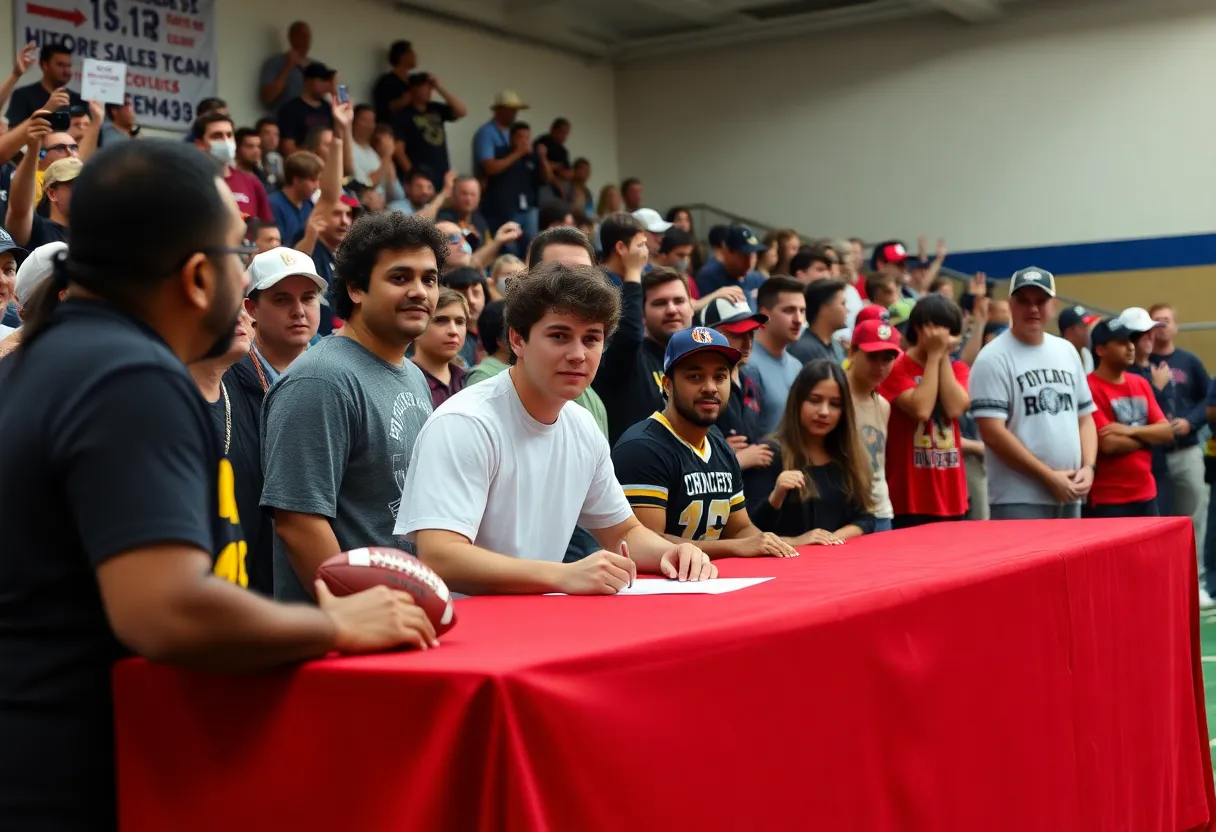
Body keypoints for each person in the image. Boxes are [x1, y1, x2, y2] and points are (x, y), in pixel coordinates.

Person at [0, 139, 436, 831]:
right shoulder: (131, 377)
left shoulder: (41, 364)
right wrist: (334, 624)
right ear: (200, 276)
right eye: (239, 255)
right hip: (77, 783)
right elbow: (164, 610)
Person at [395, 262, 717, 594]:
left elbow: (624, 533)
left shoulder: (581, 425)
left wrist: (674, 552)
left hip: (538, 623)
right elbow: (439, 556)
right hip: (463, 630)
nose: (578, 354)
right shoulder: (465, 423)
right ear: (517, 340)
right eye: (559, 336)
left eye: (592, 338)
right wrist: (562, 576)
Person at [261, 211, 443, 603]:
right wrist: (359, 611)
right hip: (346, 637)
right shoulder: (321, 380)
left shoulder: (412, 375)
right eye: (400, 277)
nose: (419, 291)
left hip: (402, 616)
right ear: (357, 288)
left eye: (429, 279)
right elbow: (298, 522)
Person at [612, 326, 797, 559]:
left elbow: (740, 529)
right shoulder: (641, 447)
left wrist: (769, 544)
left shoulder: (717, 443)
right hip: (654, 588)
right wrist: (733, 547)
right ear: (667, 384)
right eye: (695, 376)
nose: (710, 387)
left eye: (720, 376)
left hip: (707, 582)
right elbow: (646, 542)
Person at [970, 267, 1097, 519]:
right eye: (1024, 301)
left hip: (1070, 489)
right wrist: (1048, 477)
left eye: (1041, 301)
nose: (1033, 309)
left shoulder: (1067, 351)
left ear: (1054, 305)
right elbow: (992, 432)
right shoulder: (991, 358)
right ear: (1011, 305)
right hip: (1017, 496)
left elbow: (1085, 417)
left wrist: (1089, 467)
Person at [749, 360, 876, 543]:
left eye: (834, 404)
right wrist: (777, 497)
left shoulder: (848, 456)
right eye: (815, 400)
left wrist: (831, 538)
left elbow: (866, 518)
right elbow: (750, 530)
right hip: (786, 565)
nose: (824, 411)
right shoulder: (770, 454)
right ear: (797, 401)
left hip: (838, 562)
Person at [877, 294, 971, 528]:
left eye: (950, 330)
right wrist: (935, 355)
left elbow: (955, 407)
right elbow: (921, 408)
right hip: (909, 498)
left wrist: (940, 357)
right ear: (919, 328)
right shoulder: (897, 368)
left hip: (951, 495)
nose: (944, 336)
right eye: (938, 327)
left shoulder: (957, 368)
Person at [1085, 317, 1173, 518]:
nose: (1131, 347)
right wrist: (1150, 437)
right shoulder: (1088, 387)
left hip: (1146, 493)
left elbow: (1167, 432)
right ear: (1100, 350)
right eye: (1122, 343)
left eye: (1131, 341)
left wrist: (1129, 430)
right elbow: (1109, 443)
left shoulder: (1140, 383)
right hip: (1109, 498)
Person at [594, 266, 693, 445]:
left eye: (679, 301)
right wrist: (632, 271)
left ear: (692, 308)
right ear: (643, 314)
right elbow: (629, 336)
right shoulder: (628, 360)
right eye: (660, 303)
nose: (671, 310)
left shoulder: (696, 362)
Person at [1149, 303, 1211, 552]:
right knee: (1158, 519)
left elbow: (1209, 399)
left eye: (1166, 320)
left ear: (1176, 327)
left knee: (1195, 513)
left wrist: (1191, 422)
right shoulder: (1143, 362)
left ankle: (1196, 580)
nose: (1162, 326)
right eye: (1156, 321)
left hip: (1186, 451)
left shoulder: (1189, 361)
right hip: (1154, 454)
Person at [698, 297, 770, 475]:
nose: (748, 343)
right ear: (710, 335)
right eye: (738, 334)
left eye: (751, 333)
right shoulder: (699, 388)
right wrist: (727, 456)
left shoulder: (752, 381)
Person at [241, 246, 325, 387]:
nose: (299, 311)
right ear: (251, 309)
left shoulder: (336, 367)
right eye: (282, 300)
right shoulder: (227, 376)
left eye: (308, 298)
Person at [846, 319, 901, 532]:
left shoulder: (883, 405)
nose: (880, 366)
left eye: (888, 359)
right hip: (846, 512)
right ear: (852, 353)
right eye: (872, 357)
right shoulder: (833, 399)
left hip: (880, 510)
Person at [744, 276, 806, 436]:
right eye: (789, 310)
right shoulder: (748, 365)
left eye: (802, 311)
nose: (798, 319)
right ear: (764, 315)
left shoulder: (796, 365)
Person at [392, 71, 466, 192]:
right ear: (413, 90)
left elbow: (462, 112)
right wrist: (413, 176)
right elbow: (399, 151)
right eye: (424, 88)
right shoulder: (403, 114)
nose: (429, 91)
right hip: (420, 179)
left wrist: (439, 88)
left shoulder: (435, 108)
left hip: (442, 174)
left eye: (430, 88)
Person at [193, 113, 273, 223]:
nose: (226, 141)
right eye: (217, 136)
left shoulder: (252, 183)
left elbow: (267, 229)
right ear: (199, 144)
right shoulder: (191, 184)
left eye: (229, 135)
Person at [411, 288, 469, 408]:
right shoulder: (405, 382)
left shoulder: (469, 380)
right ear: (417, 327)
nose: (453, 331)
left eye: (459, 322)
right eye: (440, 320)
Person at [5, 43, 84, 127]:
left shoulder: (79, 101)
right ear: (45, 65)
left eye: (69, 66)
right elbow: (13, 132)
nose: (67, 71)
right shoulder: (22, 95)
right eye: (61, 65)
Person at [694, 226, 767, 309]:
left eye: (753, 255)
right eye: (743, 256)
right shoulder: (708, 278)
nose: (749, 262)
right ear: (727, 252)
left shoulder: (759, 280)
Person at [277, 62, 337, 157]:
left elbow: (339, 137)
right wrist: (312, 155)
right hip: (304, 164)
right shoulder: (291, 109)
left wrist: (338, 90)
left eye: (327, 81)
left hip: (329, 162)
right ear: (307, 81)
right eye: (322, 80)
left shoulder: (328, 108)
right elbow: (287, 147)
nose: (326, 84)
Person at [259, 21, 315, 114]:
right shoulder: (275, 63)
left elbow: (337, 93)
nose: (306, 41)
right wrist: (287, 67)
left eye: (308, 37)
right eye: (302, 36)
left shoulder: (315, 66)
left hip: (312, 123)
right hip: (284, 121)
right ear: (291, 38)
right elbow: (267, 97)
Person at [269, 150, 323, 246]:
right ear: (296, 180)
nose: (317, 186)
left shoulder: (309, 206)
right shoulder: (273, 205)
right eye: (313, 180)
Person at [789, 278, 848, 364]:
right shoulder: (804, 351)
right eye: (842, 304)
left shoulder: (836, 345)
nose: (847, 309)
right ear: (824, 309)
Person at [373, 40, 417, 124]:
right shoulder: (386, 82)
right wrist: (403, 100)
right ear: (402, 56)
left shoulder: (414, 81)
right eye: (411, 52)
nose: (415, 55)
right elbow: (382, 109)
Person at [1057, 304, 1099, 374]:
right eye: (1084, 326)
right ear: (1069, 332)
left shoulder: (1087, 355)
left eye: (1088, 325)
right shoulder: (1058, 357)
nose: (1088, 330)